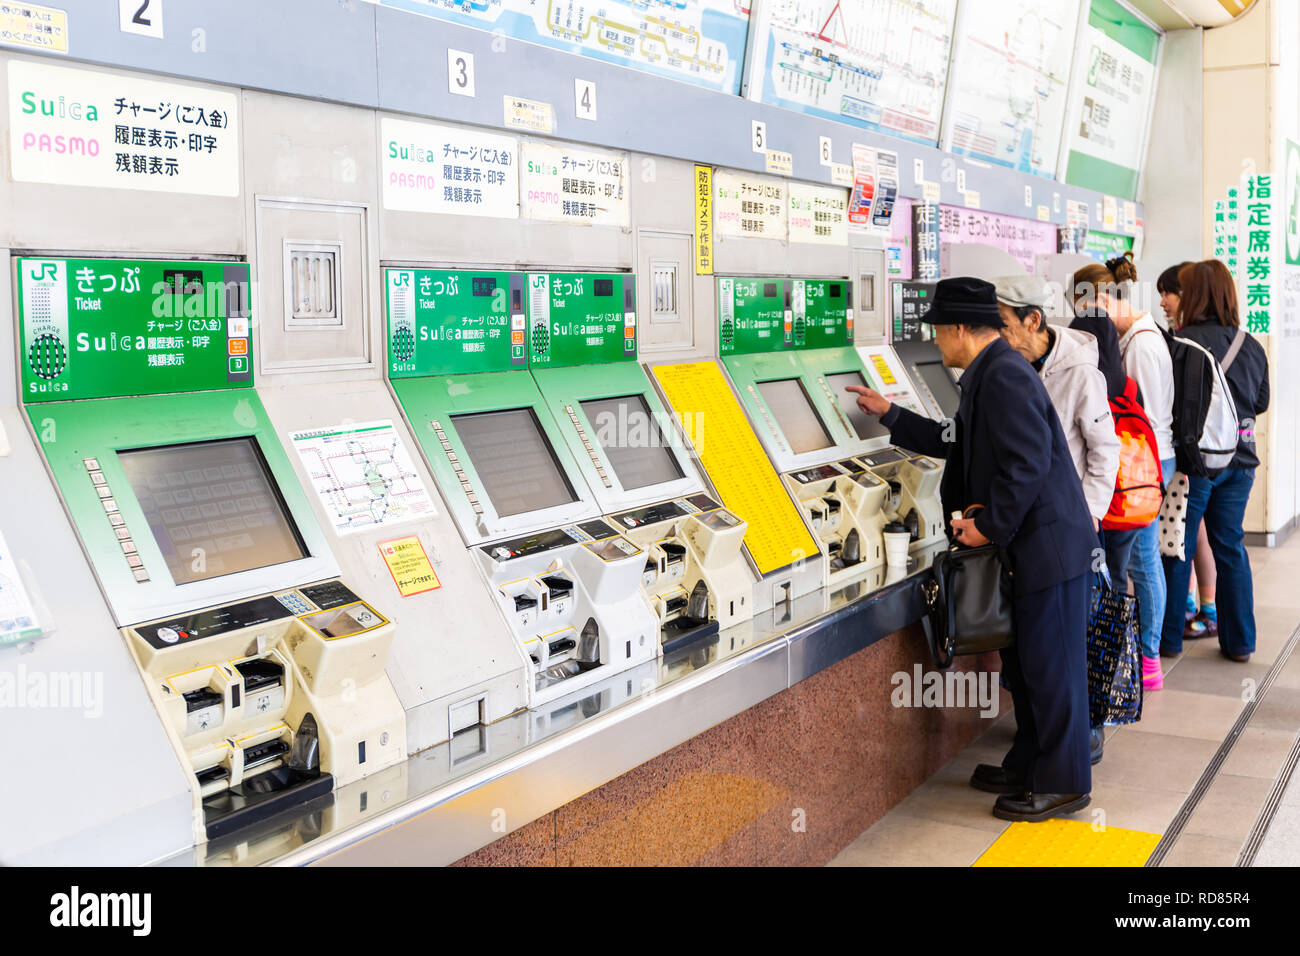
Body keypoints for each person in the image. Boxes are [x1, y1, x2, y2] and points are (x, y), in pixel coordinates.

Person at [846, 277, 1096, 822]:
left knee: (1052, 670)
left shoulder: (1003, 376)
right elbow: (957, 441)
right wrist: (890, 413)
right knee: (1028, 666)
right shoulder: (991, 371)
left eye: (938, 332)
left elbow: (1027, 464)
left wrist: (990, 526)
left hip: (1048, 548)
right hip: (1027, 548)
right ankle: (1029, 762)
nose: (936, 343)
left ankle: (1065, 781)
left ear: (960, 329)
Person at [1159, 260, 1269, 663]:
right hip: (1241, 464)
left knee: (1178, 548)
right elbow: (1261, 402)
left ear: (1196, 295)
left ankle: (1168, 640)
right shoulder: (1250, 343)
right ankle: (1239, 643)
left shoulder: (1181, 343)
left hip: (1195, 465)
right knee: (1231, 547)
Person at [1073, 254, 1174, 690]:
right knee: (1135, 562)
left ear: (1099, 299)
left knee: (1142, 562)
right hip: (1142, 463)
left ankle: (1146, 658)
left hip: (1141, 465)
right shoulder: (1132, 339)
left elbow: (1138, 420)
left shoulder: (1141, 345)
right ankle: (1139, 657)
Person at [993, 274, 1119, 526]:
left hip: (1065, 515)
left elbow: (1104, 447)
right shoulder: (1005, 366)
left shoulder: (1079, 372)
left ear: (1033, 320)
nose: (996, 332)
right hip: (1016, 510)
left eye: (1003, 323)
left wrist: (1091, 512)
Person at [1158, 263, 1219, 640]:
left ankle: (1195, 611)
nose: (1163, 300)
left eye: (1170, 293)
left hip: (1191, 456)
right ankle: (1199, 606)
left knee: (1190, 534)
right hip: (1221, 456)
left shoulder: (1187, 344)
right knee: (1198, 534)